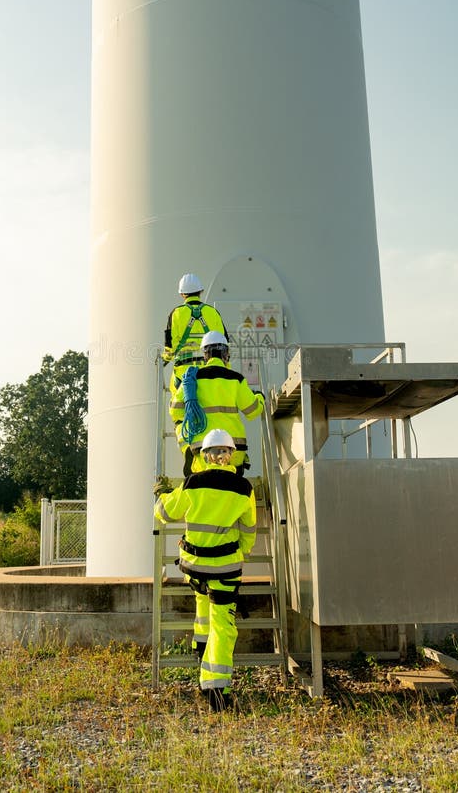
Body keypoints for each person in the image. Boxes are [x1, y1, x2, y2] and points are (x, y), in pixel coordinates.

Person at [154, 429, 257, 711]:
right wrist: (242, 553)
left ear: (204, 456)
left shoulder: (192, 483)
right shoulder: (244, 489)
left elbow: (163, 514)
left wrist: (163, 494)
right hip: (226, 568)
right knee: (223, 625)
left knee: (203, 601)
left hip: (194, 567)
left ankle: (201, 649)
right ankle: (215, 688)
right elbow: (249, 530)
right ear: (231, 456)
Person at [170, 330, 265, 475]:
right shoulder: (236, 379)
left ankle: (189, 458)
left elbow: (175, 410)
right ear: (226, 354)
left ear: (205, 355)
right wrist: (260, 398)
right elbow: (252, 411)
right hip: (234, 453)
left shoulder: (192, 380)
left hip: (204, 453)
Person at [162, 273, 228, 392]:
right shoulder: (213, 313)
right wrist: (226, 368)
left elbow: (169, 348)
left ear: (182, 294)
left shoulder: (175, 313)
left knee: (178, 404)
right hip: (211, 372)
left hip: (183, 375)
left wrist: (163, 361)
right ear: (200, 291)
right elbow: (225, 343)